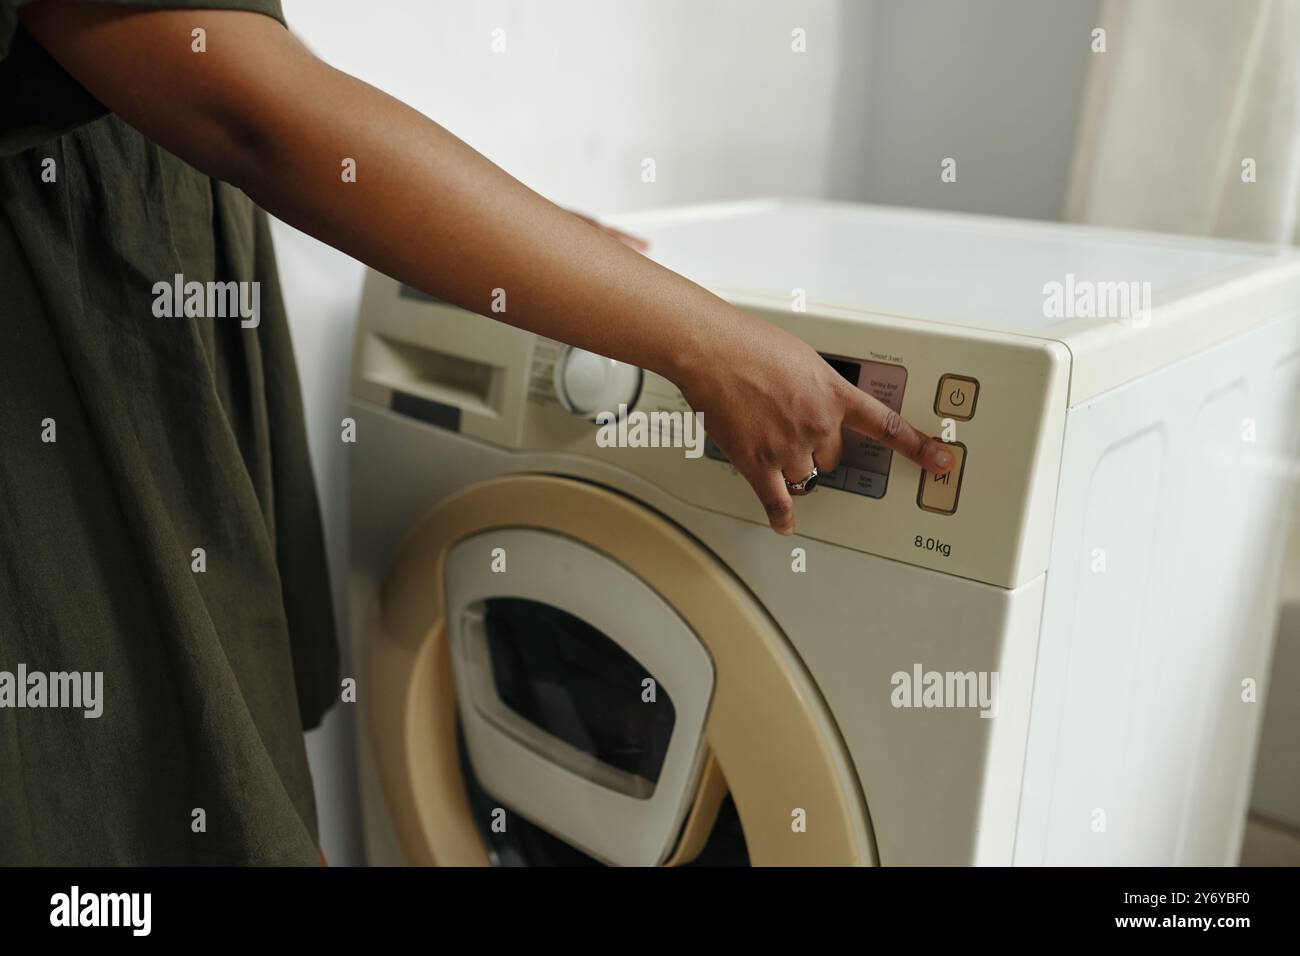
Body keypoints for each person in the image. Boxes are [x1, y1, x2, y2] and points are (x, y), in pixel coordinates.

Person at [0, 0, 954, 865]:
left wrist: (542, 244)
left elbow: (250, 52)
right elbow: (254, 110)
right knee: (110, 783)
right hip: (59, 345)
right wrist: (704, 343)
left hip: (131, 298)